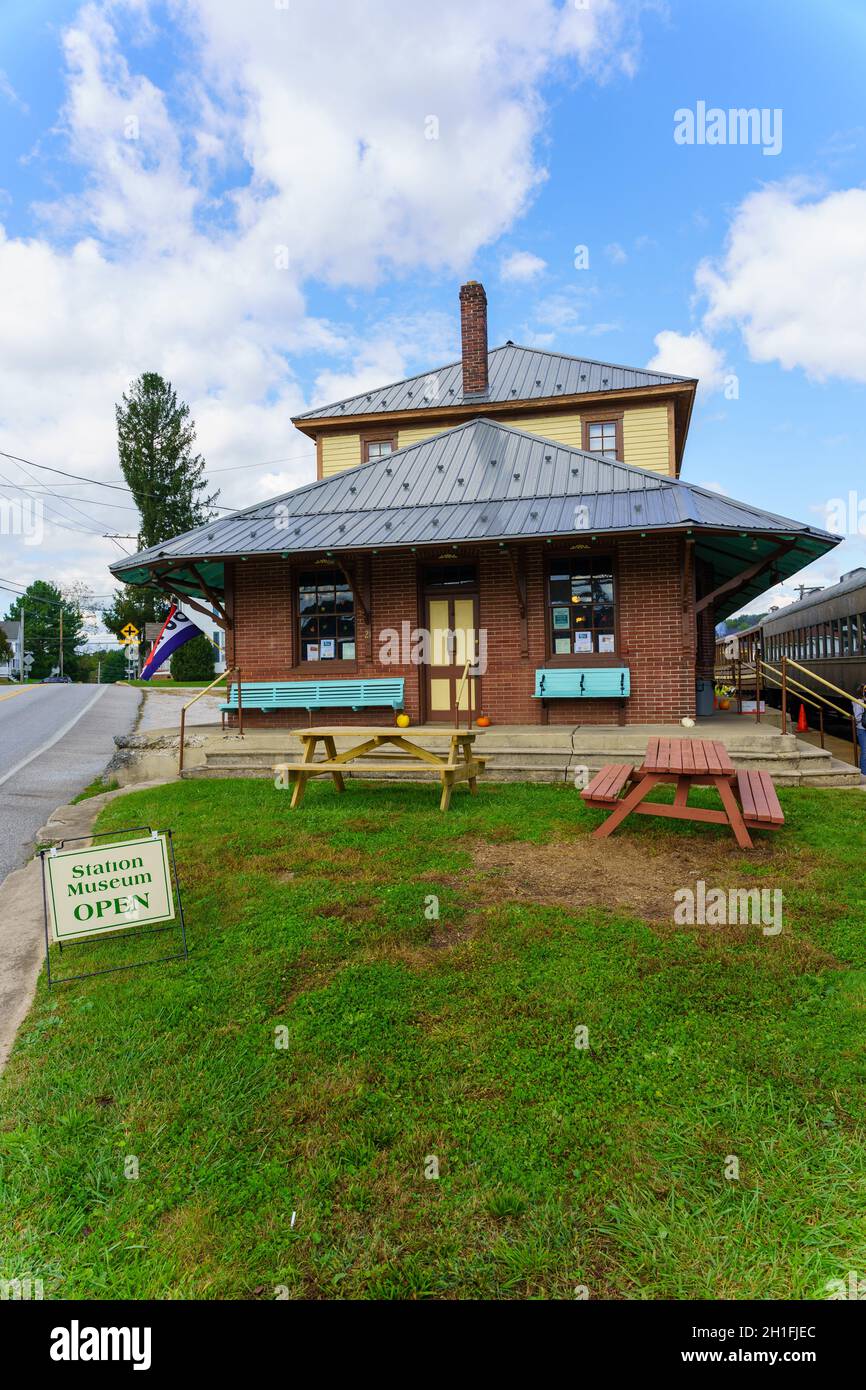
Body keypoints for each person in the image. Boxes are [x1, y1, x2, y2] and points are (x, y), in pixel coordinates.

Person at [854, 683, 866, 775]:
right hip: (862, 729)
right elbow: (857, 717)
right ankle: (864, 773)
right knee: (865, 751)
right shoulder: (858, 702)